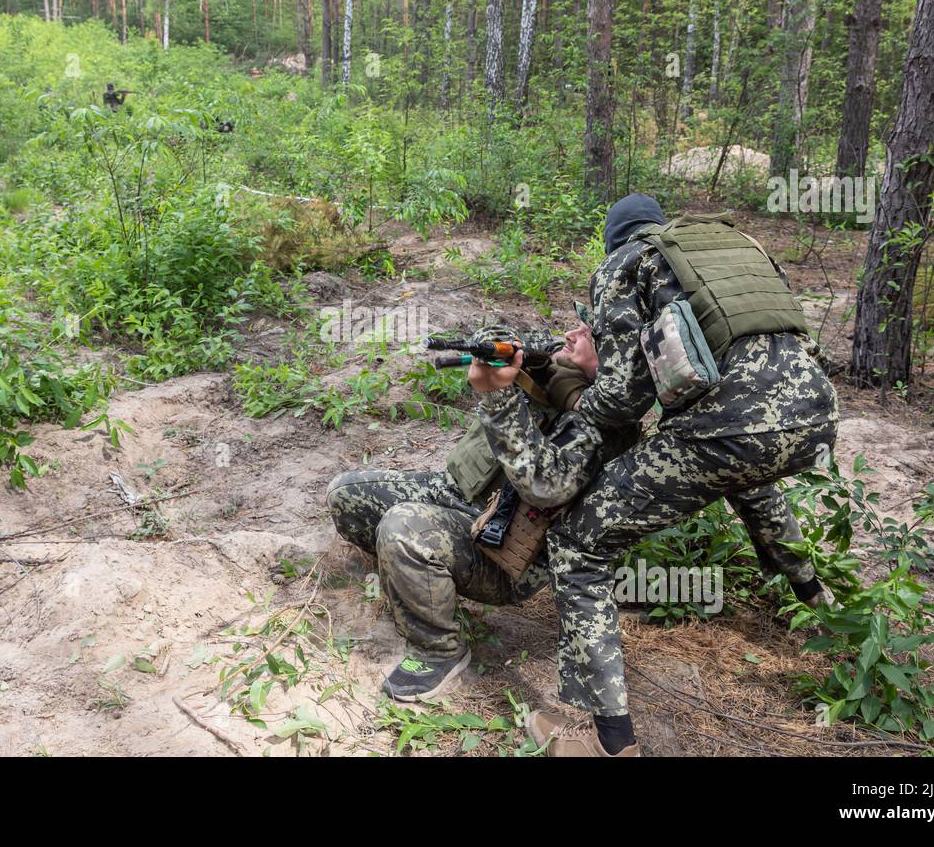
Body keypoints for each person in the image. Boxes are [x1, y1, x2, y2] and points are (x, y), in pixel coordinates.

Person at [525, 194, 839, 757]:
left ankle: (608, 742)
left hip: (726, 427)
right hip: (816, 416)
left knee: (579, 544)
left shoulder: (623, 263)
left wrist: (574, 401)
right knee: (747, 477)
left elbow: (624, 396)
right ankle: (821, 607)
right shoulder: (735, 248)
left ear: (612, 236)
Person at [325, 326, 636, 702]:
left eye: (590, 334)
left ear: (615, 360)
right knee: (345, 495)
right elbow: (512, 337)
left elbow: (543, 486)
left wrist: (497, 395)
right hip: (463, 497)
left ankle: (437, 650)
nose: (573, 332)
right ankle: (421, 583)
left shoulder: (604, 425)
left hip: (503, 550)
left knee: (403, 528)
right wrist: (516, 351)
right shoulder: (561, 366)